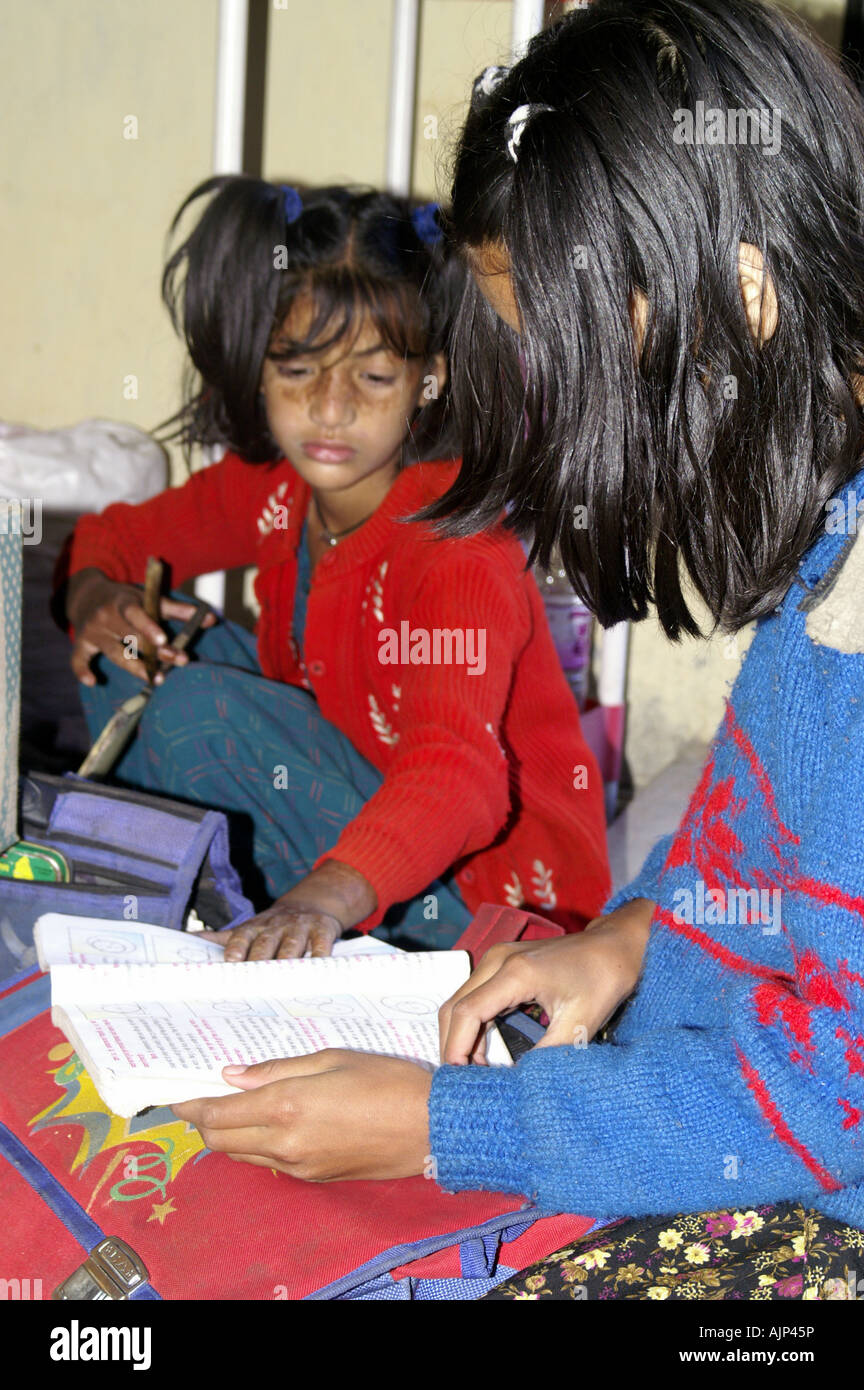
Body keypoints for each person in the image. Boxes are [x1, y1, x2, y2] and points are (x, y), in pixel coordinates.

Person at [174, 0, 864, 1300]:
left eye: (563, 349)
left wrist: (446, 1124)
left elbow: (840, 1091)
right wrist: (632, 935)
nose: (543, 409)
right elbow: (742, 850)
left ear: (743, 291)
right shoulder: (832, 542)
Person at [57, 176, 610, 956]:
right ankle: (186, 882)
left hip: (485, 904)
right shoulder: (275, 490)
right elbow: (117, 538)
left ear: (431, 379)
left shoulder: (455, 547)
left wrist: (319, 899)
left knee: (190, 709)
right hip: (358, 805)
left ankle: (246, 903)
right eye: (298, 370)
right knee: (130, 653)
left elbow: (457, 776)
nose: (330, 408)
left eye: (373, 376)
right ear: (258, 366)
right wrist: (96, 600)